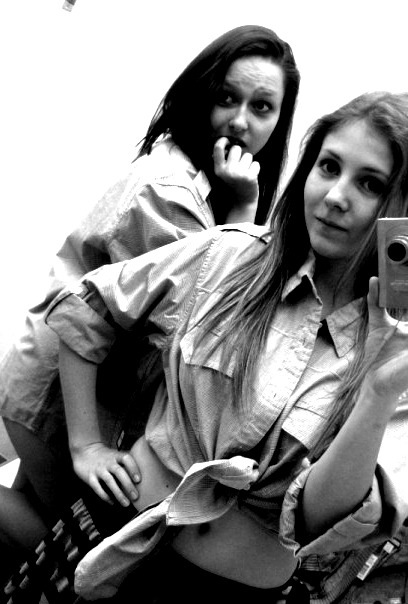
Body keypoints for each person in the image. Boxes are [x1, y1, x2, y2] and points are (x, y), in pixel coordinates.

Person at [43, 90, 408, 603]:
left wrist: (377, 390)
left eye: (370, 184)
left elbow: (317, 520)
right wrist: (86, 446)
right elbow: (88, 308)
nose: (335, 197)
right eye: (328, 167)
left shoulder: (398, 354)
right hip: (108, 536)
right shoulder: (231, 255)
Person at [0, 23, 300, 573]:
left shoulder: (183, 170)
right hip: (61, 396)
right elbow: (208, 318)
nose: (241, 121)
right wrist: (245, 209)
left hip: (60, 384)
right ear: (200, 93)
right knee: (71, 553)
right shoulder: (172, 194)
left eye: (262, 107)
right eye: (227, 98)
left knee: (34, 532)